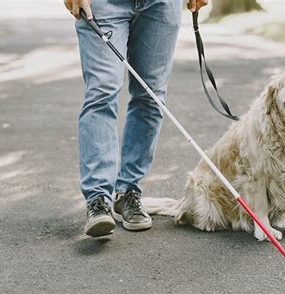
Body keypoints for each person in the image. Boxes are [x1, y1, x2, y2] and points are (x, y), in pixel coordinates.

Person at [64, 0, 208, 237]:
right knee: (102, 90)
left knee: (151, 96)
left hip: (161, 5)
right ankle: (98, 198)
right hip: (102, 4)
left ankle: (128, 191)